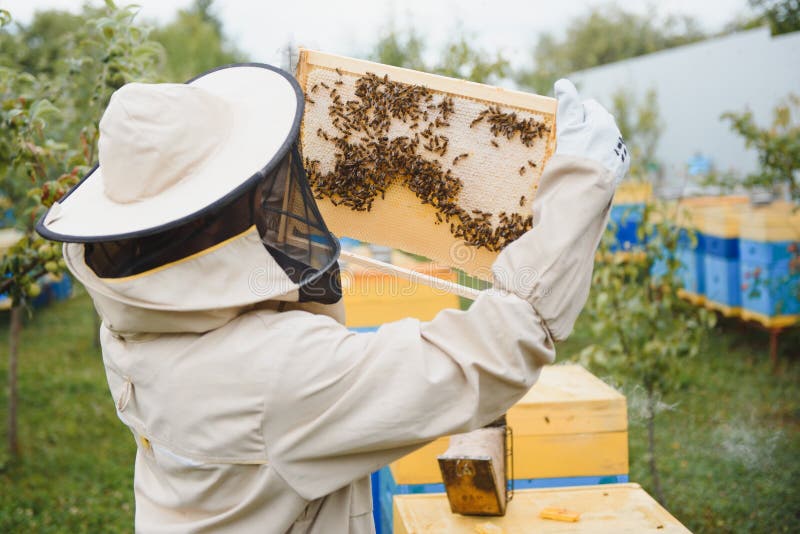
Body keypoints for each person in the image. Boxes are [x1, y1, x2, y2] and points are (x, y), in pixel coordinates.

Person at [37, 63, 629, 533]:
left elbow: (235, 300)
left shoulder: (131, 319)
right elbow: (498, 349)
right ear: (212, 218)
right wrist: (584, 181)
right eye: (251, 186)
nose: (268, 191)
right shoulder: (274, 379)